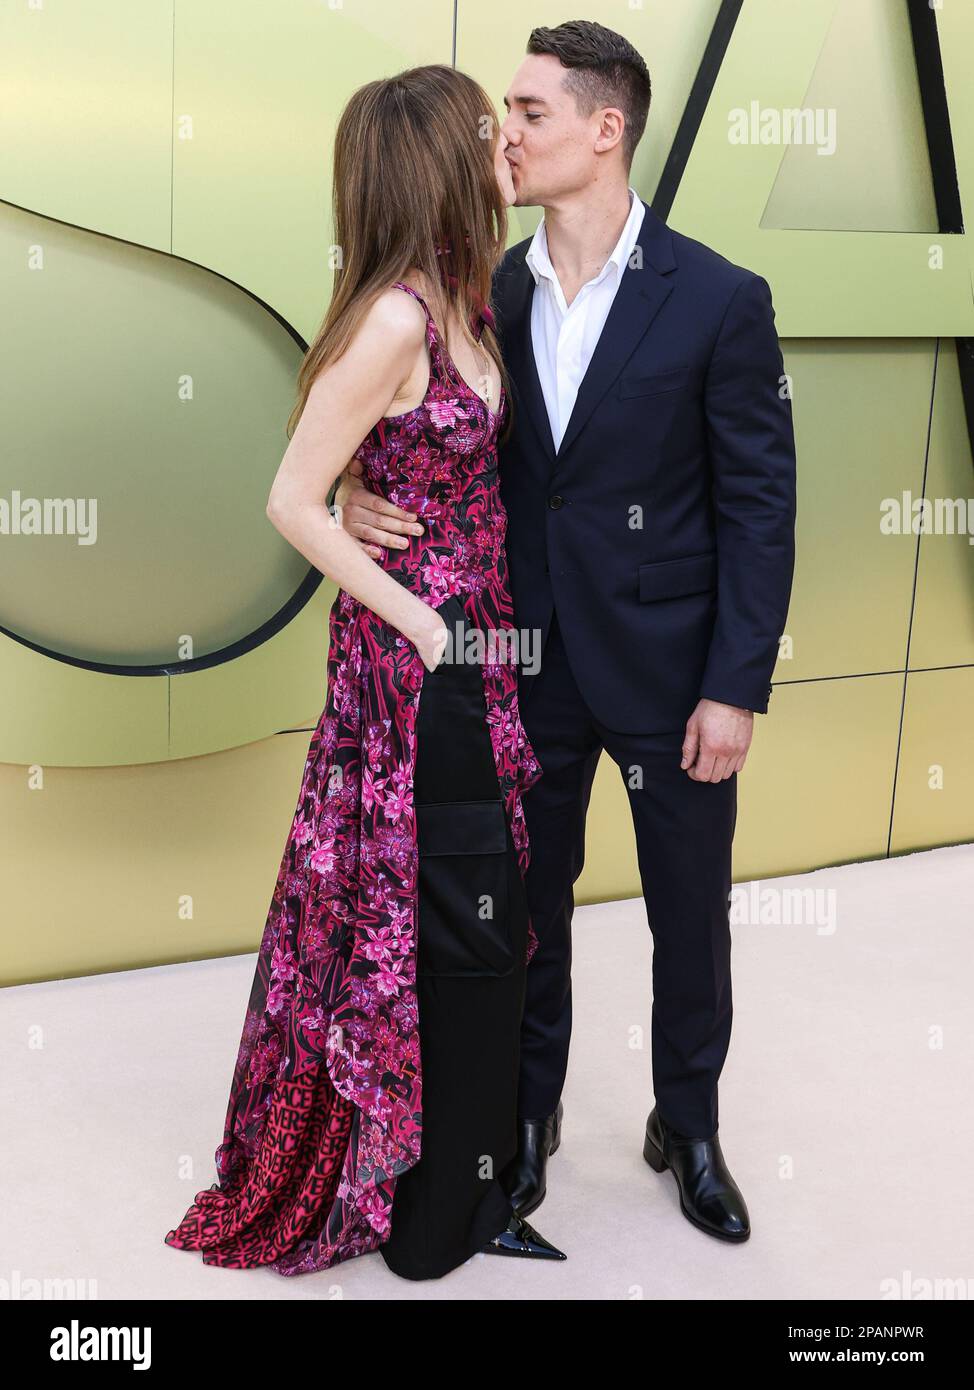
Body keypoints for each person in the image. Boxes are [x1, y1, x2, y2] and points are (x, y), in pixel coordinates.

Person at [336, 20, 798, 1244]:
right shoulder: (474, 290)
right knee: (524, 909)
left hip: (670, 676)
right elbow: (408, 426)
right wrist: (351, 494)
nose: (506, 132)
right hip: (517, 664)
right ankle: (522, 1122)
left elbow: (759, 505)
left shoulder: (717, 299)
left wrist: (733, 685)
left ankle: (685, 1124)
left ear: (604, 131)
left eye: (529, 111)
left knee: (685, 911)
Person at [163, 64, 565, 1281]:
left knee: (470, 922)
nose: (506, 149)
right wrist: (422, 623)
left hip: (475, 649)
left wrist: (439, 597)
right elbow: (290, 497)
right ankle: (436, 1211)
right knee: (445, 925)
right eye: (488, 136)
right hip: (421, 669)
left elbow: (393, 465)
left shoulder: (465, 300)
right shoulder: (397, 316)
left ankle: (461, 1183)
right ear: (440, 162)